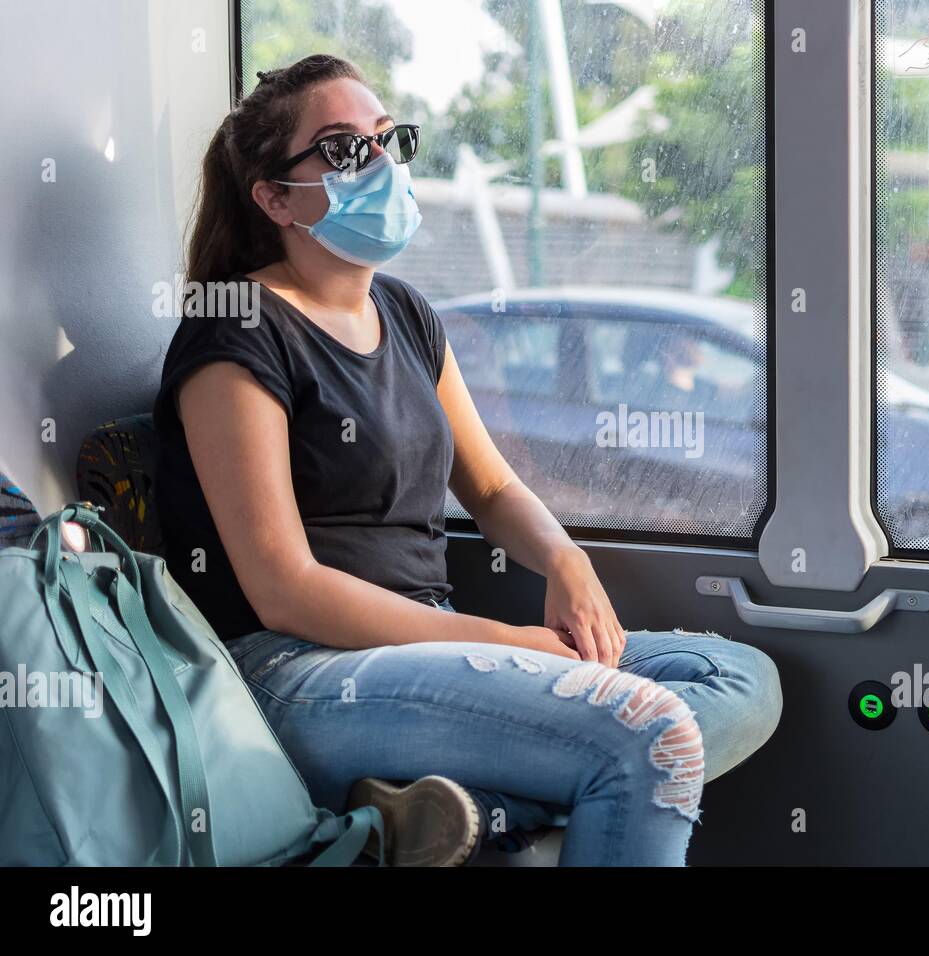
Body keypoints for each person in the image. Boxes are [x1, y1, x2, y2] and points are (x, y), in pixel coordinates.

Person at [153, 55, 782, 867]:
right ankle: (471, 806)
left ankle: (465, 813)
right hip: (297, 672)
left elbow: (489, 486)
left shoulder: (405, 313)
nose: (381, 165)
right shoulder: (235, 326)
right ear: (274, 198)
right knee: (651, 734)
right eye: (345, 150)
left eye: (390, 140)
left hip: (427, 643)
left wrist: (565, 558)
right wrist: (506, 639)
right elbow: (284, 589)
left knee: (739, 677)